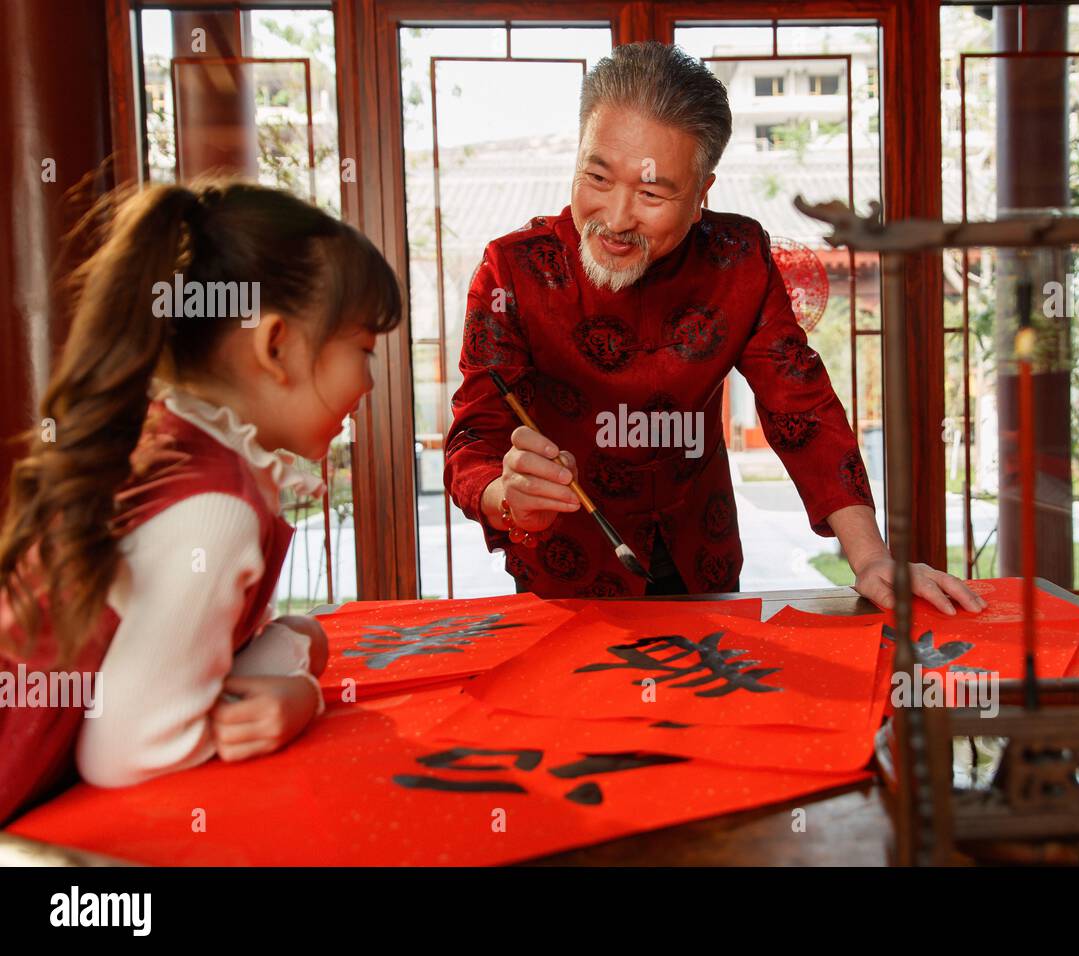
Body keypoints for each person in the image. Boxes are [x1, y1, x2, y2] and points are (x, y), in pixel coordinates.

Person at [444, 41, 985, 615]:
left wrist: (872, 557)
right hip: (568, 571)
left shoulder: (737, 258)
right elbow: (473, 438)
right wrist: (507, 496)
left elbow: (801, 407)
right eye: (596, 178)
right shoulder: (514, 269)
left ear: (702, 196)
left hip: (701, 558)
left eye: (652, 193)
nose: (618, 217)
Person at [0, 180, 401, 825]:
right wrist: (301, 700)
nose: (369, 382)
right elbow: (130, 748)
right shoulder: (215, 511)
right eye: (363, 348)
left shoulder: (170, 444)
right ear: (275, 348)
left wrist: (300, 647)